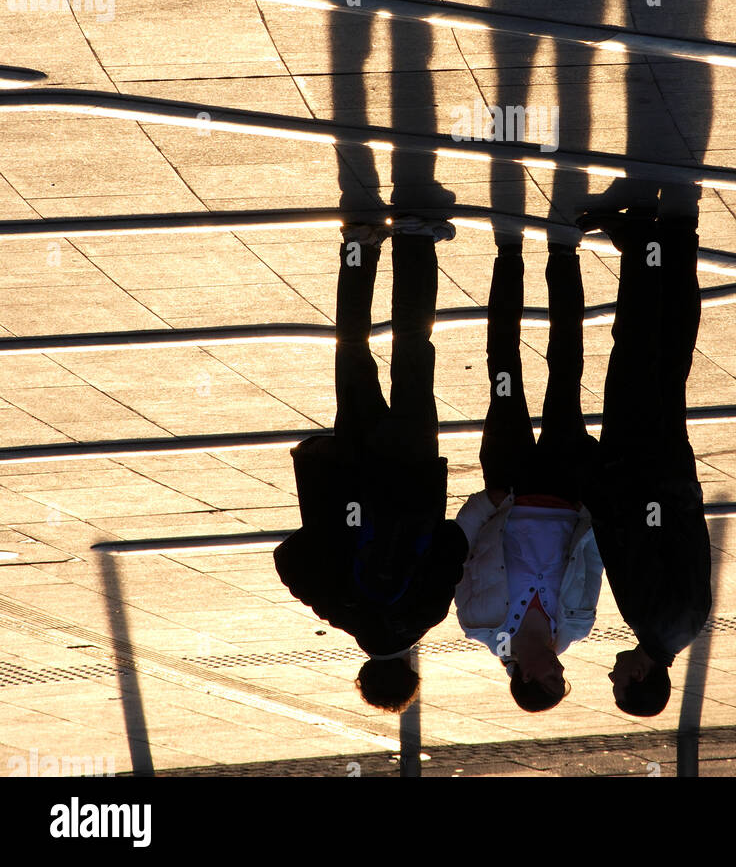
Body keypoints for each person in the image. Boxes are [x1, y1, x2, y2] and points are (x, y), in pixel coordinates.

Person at [273, 217, 468, 712]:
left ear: (408, 668)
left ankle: (415, 240)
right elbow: (288, 556)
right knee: (352, 352)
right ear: (363, 670)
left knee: (413, 352)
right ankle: (358, 248)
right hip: (352, 469)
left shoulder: (426, 612)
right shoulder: (339, 608)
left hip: (412, 469)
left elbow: (451, 542)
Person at [454, 236, 603, 712]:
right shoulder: (576, 625)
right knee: (566, 372)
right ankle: (564, 258)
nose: (562, 674)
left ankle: (508, 256)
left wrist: (485, 503)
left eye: (553, 681)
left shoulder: (479, 622)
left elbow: (457, 553)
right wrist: (593, 507)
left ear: (526, 678)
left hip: (509, 483)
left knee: (505, 367)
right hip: (565, 485)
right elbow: (594, 561)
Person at [577, 207, 713, 717]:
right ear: (639, 677)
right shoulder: (650, 620)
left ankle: (677, 239)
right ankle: (640, 244)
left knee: (670, 358)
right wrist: (605, 480)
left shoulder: (686, 627)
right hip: (640, 465)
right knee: (635, 352)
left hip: (673, 473)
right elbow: (635, 535)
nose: (612, 674)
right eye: (618, 684)